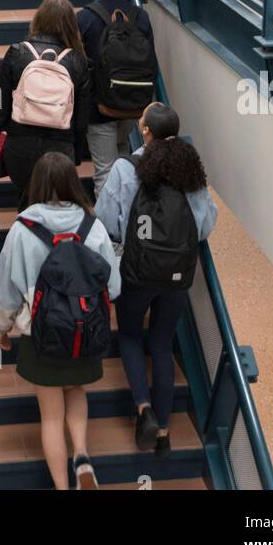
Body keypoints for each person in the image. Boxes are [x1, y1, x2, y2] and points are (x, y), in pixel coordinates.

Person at [0, 151, 121, 491]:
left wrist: (3, 328)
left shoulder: (22, 230)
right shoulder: (93, 226)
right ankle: (81, 455)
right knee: (76, 389)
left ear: (37, 184)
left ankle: (63, 487)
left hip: (42, 332)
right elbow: (114, 285)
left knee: (50, 415)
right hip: (86, 331)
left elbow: (7, 289)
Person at [95, 103, 217, 455]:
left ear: (145, 131)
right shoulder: (189, 170)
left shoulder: (125, 168)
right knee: (162, 344)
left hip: (136, 271)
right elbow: (205, 224)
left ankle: (143, 408)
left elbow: (107, 221)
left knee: (131, 335)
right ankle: (163, 431)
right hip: (178, 274)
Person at [0, 0, 93, 209]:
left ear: (38, 19)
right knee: (52, 204)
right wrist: (75, 154)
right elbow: (82, 115)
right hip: (60, 147)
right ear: (70, 24)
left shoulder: (17, 53)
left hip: (19, 145)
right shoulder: (78, 61)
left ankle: (25, 237)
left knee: (26, 200)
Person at [77, 0, 159, 198]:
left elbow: (77, 63)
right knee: (124, 162)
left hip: (98, 105)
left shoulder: (85, 17)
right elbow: (151, 58)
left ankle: (109, 232)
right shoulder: (140, 16)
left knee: (104, 171)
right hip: (132, 101)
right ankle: (128, 221)